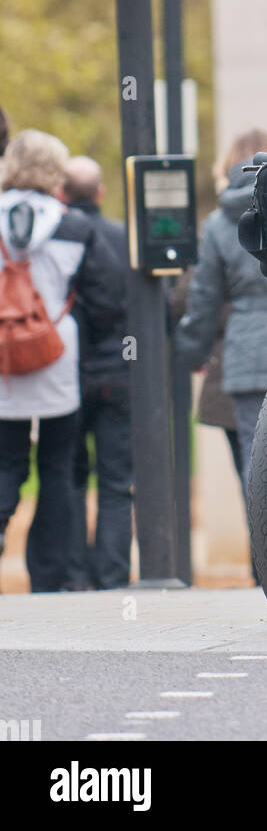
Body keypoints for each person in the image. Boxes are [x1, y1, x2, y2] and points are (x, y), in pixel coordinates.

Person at [172, 130, 267, 583]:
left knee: (258, 466)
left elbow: (202, 300)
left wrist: (189, 353)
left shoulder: (218, 225)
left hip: (242, 356)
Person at [0, 131, 123, 591]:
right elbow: (106, 298)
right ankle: (50, 575)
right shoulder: (74, 225)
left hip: (3, 363)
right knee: (56, 465)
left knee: (7, 462)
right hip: (56, 359)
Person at [62, 156, 132, 590]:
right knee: (116, 483)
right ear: (101, 193)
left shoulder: (60, 237)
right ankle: (111, 577)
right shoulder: (125, 238)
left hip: (68, 374)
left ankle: (72, 577)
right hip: (120, 376)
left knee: (69, 476)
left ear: (62, 194)